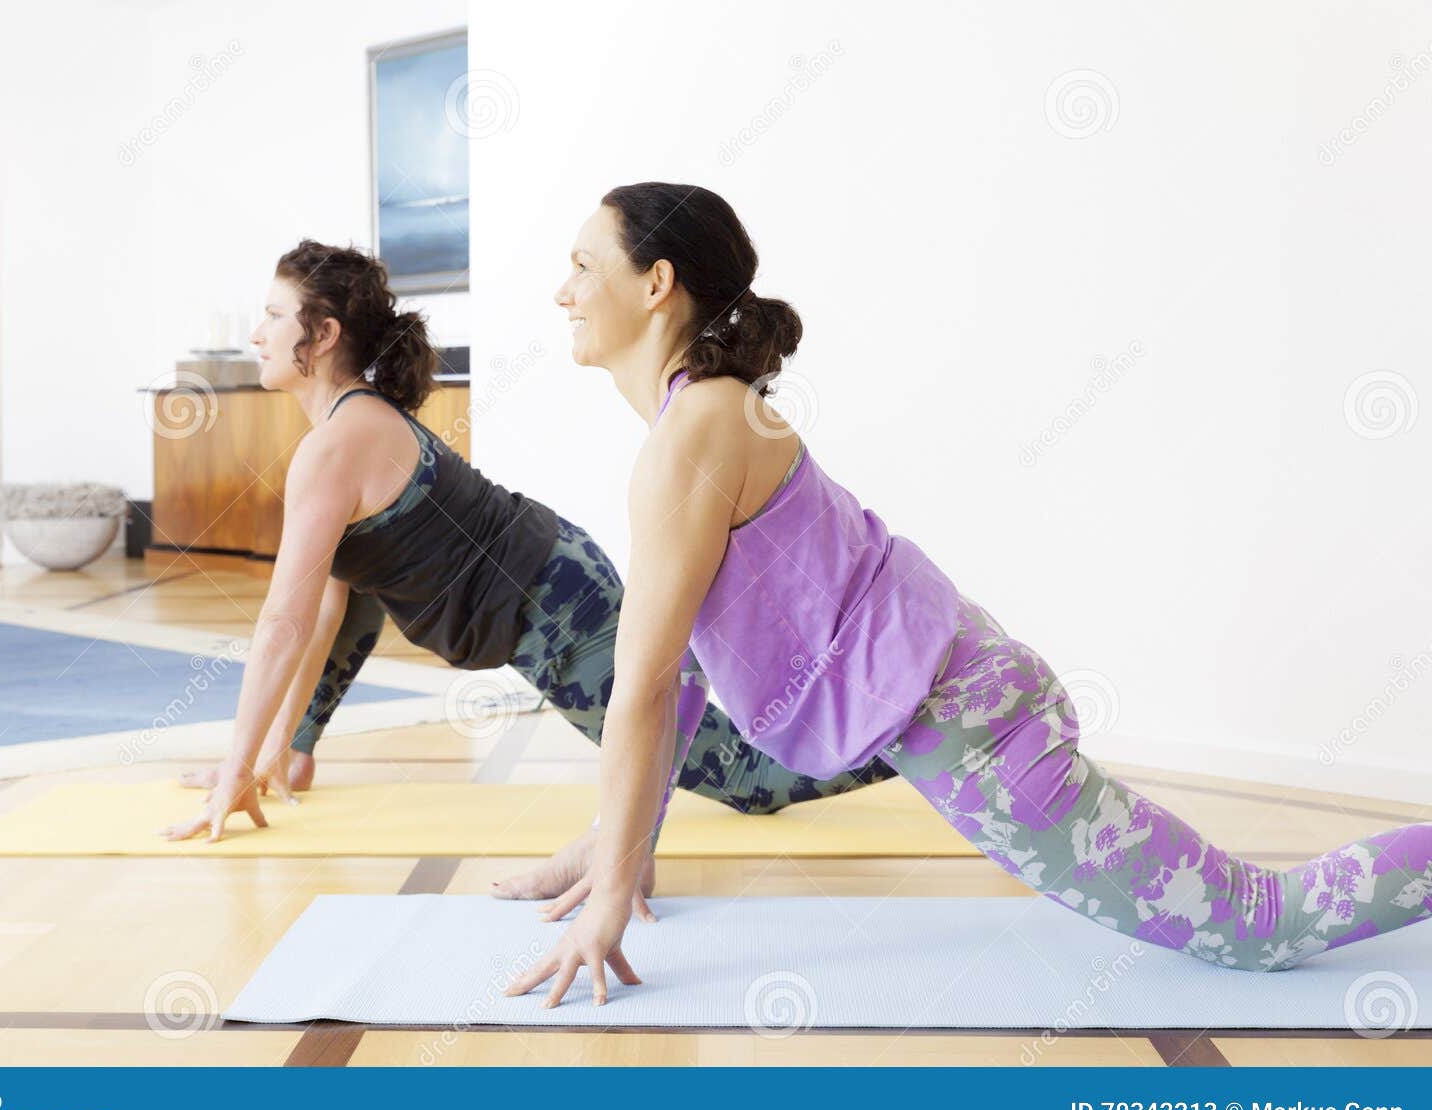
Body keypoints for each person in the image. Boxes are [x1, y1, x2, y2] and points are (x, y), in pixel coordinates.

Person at [504, 182, 1432, 1008]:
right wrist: (615, 843)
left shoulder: (691, 434)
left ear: (656, 282)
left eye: (583, 264)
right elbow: (693, 671)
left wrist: (616, 896)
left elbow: (646, 686)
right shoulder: (704, 413)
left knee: (1256, 922)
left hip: (970, 728)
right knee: (1250, 913)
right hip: (964, 694)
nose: (564, 290)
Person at [158, 239, 904, 912]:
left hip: (557, 608)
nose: (256, 332)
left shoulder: (333, 448)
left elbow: (283, 624)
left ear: (320, 337)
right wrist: (285, 750)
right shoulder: (349, 427)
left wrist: (234, 769)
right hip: (554, 575)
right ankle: (883, 714)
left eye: (272, 314)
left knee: (749, 779)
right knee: (718, 753)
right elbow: (337, 609)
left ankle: (918, 725)